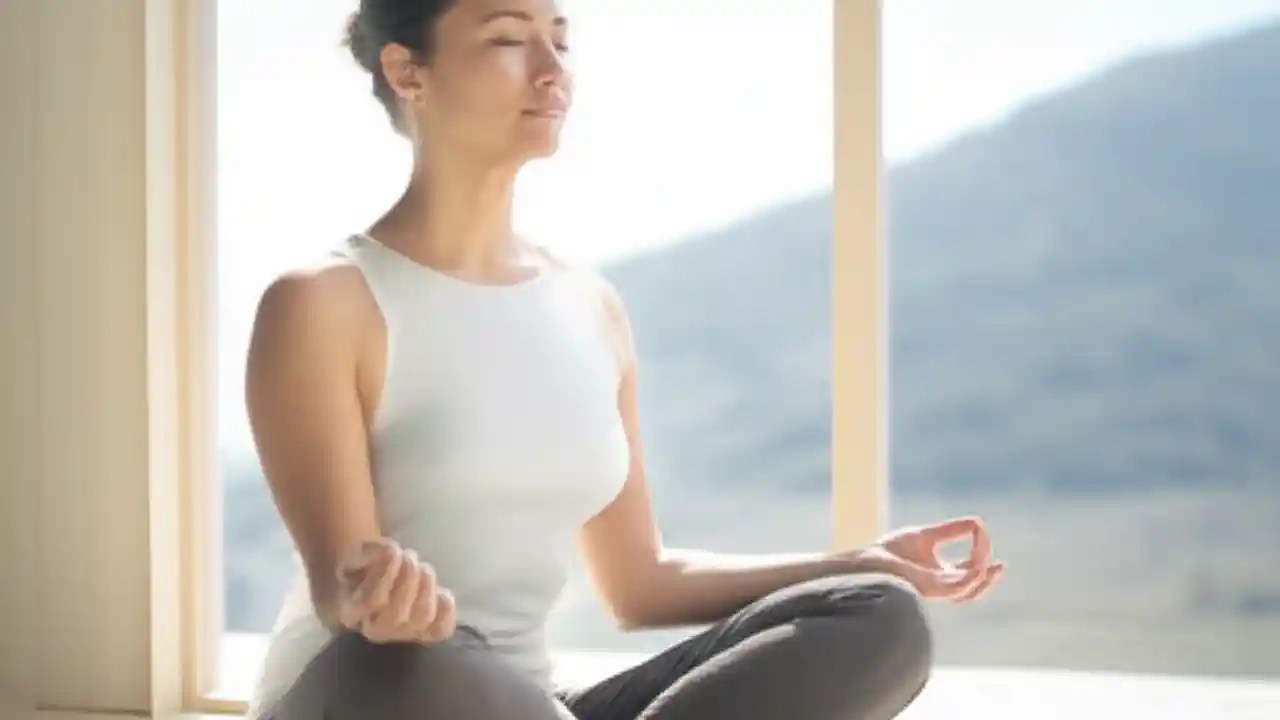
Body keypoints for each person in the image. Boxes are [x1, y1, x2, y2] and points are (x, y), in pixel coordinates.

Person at [242, 1, 1007, 718]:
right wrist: (377, 598)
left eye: (561, 41)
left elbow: (640, 583)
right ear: (409, 72)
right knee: (402, 657)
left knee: (877, 614)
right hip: (375, 690)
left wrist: (859, 561)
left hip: (530, 703)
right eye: (510, 39)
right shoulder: (325, 303)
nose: (551, 68)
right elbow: (339, 590)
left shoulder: (591, 307)